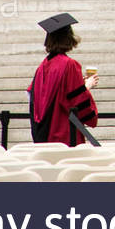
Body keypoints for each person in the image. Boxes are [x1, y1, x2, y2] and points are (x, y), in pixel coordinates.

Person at [28, 13, 99, 145]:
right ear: (68, 38)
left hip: (44, 133)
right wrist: (87, 86)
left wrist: (79, 85)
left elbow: (35, 97)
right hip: (64, 133)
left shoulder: (43, 66)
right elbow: (76, 101)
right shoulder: (69, 65)